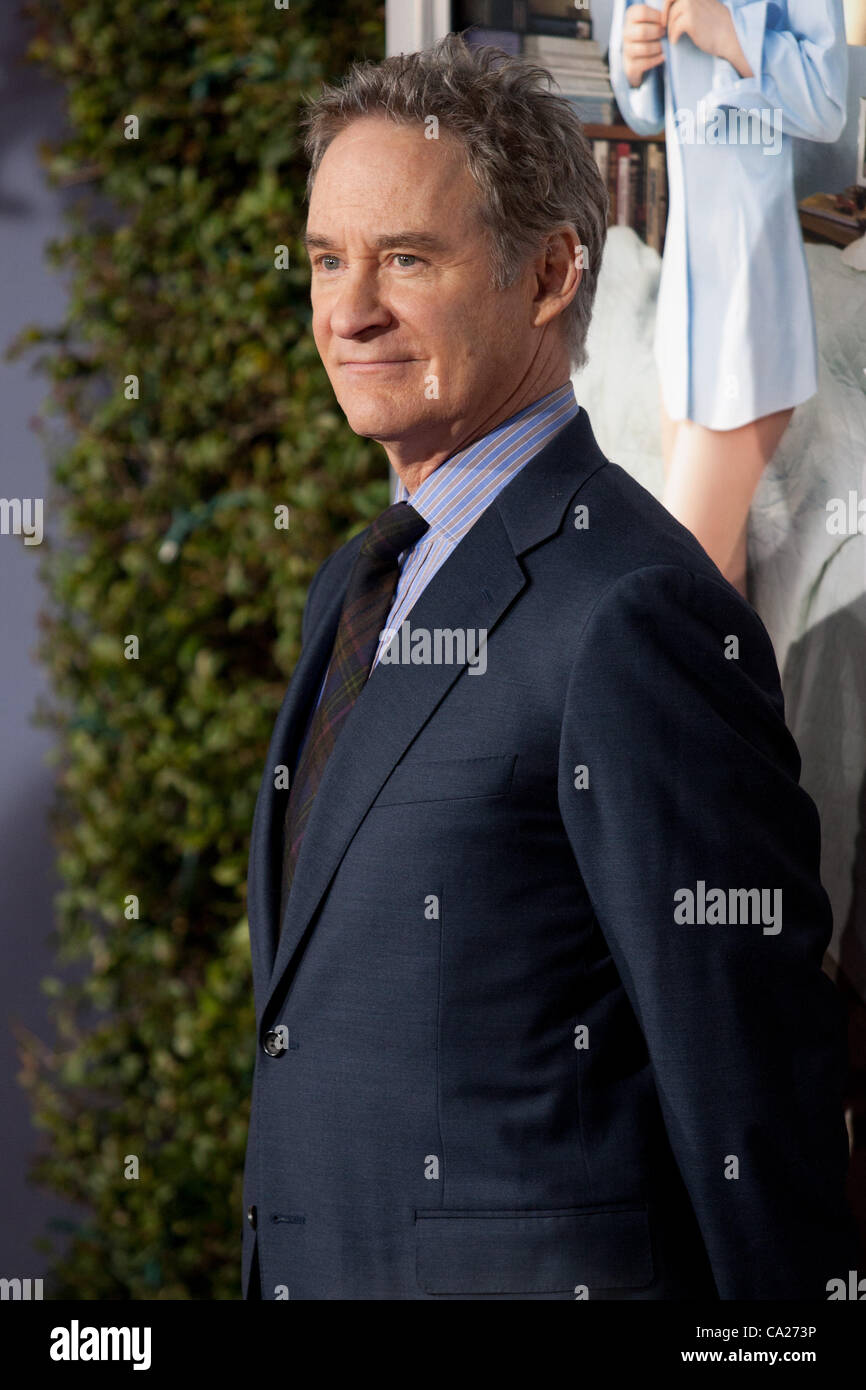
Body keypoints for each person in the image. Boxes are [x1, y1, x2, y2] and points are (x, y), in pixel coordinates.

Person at [241, 33, 859, 1300]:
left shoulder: (632, 611)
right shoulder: (355, 588)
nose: (347, 309)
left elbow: (747, 1080)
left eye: (405, 258)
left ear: (548, 273)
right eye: (324, 260)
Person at [608, 0, 848, 596]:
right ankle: (756, 692)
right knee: (720, 580)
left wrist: (736, 37)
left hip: (753, 315)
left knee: (681, 588)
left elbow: (829, 106)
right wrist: (632, 61)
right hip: (683, 324)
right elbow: (641, 110)